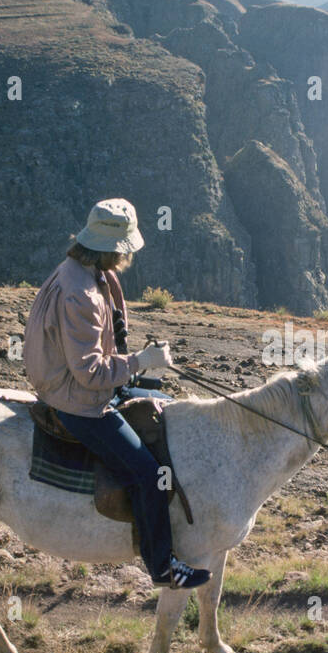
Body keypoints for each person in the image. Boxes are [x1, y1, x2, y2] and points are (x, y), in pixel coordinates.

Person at [23, 198, 210, 590]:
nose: (127, 256)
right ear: (112, 249)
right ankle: (162, 568)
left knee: (168, 411)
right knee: (147, 473)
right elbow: (91, 372)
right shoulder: (82, 295)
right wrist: (142, 361)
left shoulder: (84, 272)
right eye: (124, 249)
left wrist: (135, 364)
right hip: (76, 400)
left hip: (78, 384)